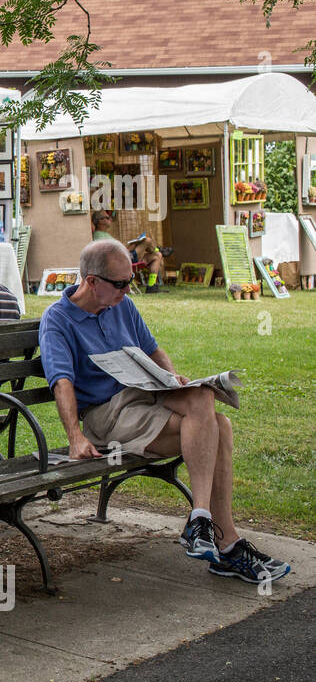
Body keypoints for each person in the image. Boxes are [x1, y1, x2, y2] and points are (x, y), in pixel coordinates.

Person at [39, 239, 290, 584]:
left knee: (203, 398)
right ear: (92, 281)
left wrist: (171, 378)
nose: (128, 291)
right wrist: (75, 437)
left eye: (132, 280)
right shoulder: (58, 319)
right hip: (106, 413)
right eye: (121, 284)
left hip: (143, 392)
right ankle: (227, 544)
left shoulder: (120, 305)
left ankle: (200, 519)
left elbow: (153, 349)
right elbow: (61, 381)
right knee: (220, 429)